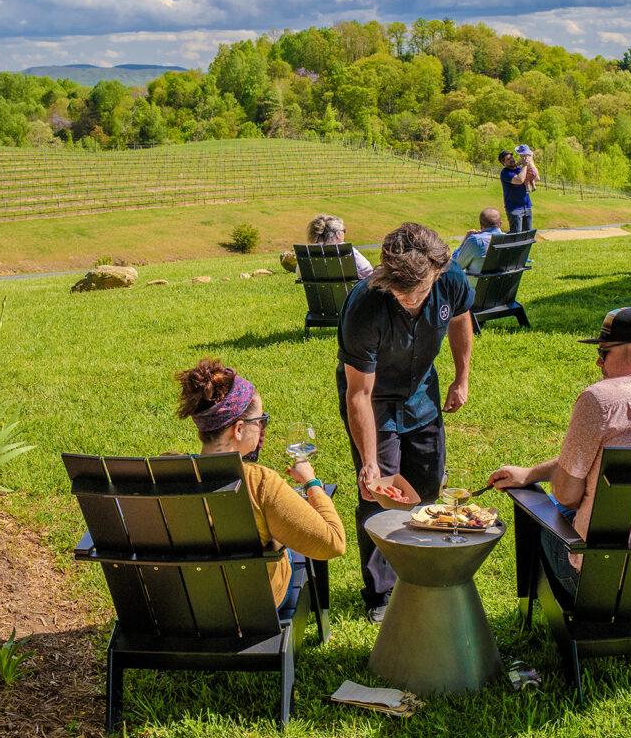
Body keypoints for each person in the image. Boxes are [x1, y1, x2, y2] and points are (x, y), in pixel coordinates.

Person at [484, 307, 631, 592]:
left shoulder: (601, 400)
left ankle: (532, 613)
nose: (598, 362)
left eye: (604, 352)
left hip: (602, 580)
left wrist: (546, 488)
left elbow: (567, 496)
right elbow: (606, 461)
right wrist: (531, 473)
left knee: (548, 507)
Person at [337, 222, 474, 621]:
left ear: (437, 271)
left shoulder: (450, 276)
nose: (412, 300)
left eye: (420, 291)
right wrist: (369, 460)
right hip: (374, 399)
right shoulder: (363, 305)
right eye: (402, 293)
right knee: (378, 494)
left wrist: (461, 377)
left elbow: (461, 317)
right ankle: (380, 592)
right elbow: (358, 393)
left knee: (429, 484)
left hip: (422, 393)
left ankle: (423, 570)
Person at [174, 358, 346, 605]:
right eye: (260, 422)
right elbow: (334, 543)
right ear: (239, 430)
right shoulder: (260, 484)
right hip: (253, 605)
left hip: (187, 602)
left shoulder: (168, 471)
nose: (263, 428)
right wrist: (312, 483)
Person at [306, 214, 373, 279]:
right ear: (338, 234)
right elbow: (369, 272)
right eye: (344, 231)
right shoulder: (346, 250)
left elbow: (300, 272)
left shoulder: (311, 252)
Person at [453, 207, 504, 274]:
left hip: (476, 283)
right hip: (504, 283)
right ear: (500, 224)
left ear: (480, 225)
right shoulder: (509, 239)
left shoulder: (476, 240)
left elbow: (456, 265)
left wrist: (465, 240)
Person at [499, 150, 537, 233]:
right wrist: (524, 166)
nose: (512, 160)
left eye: (512, 157)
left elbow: (536, 178)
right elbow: (520, 180)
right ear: (503, 163)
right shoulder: (505, 173)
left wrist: (530, 161)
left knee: (527, 235)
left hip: (527, 207)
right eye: (508, 159)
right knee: (516, 236)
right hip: (514, 209)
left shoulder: (519, 169)